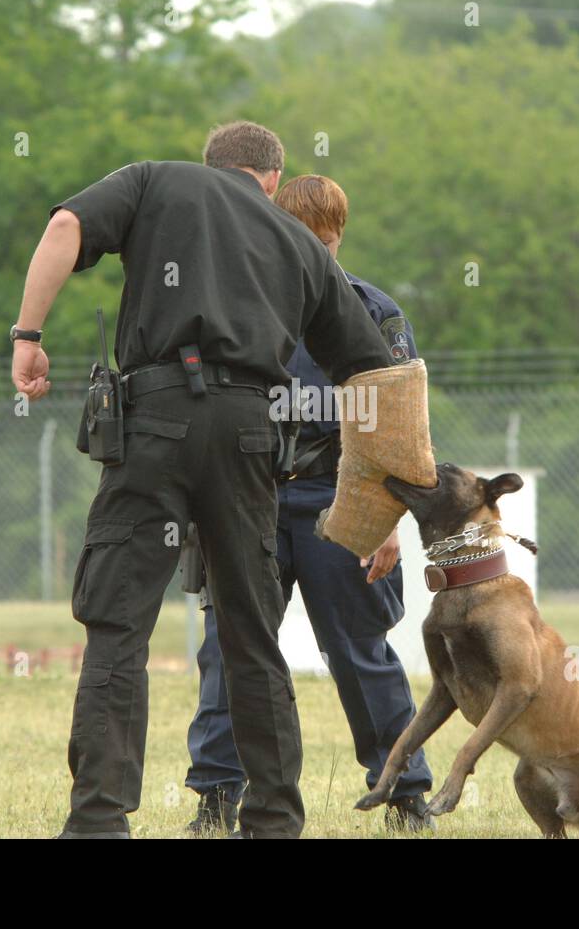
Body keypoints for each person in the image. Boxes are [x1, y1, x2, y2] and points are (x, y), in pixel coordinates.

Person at [10, 122, 393, 839]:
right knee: (252, 632)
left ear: (212, 162)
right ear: (273, 181)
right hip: (251, 433)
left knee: (119, 622)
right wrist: (385, 501)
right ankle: (274, 818)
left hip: (153, 422)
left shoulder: (155, 179)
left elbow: (65, 224)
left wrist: (28, 337)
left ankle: (98, 819)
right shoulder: (298, 241)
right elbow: (374, 374)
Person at [184, 175, 434, 836]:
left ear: (340, 237)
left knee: (358, 648)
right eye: (302, 242)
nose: (316, 257)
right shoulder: (233, 309)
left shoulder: (371, 311)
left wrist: (387, 516)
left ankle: (404, 789)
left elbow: (399, 423)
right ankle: (215, 793)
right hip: (251, 498)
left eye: (325, 243)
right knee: (230, 645)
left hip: (339, 497)